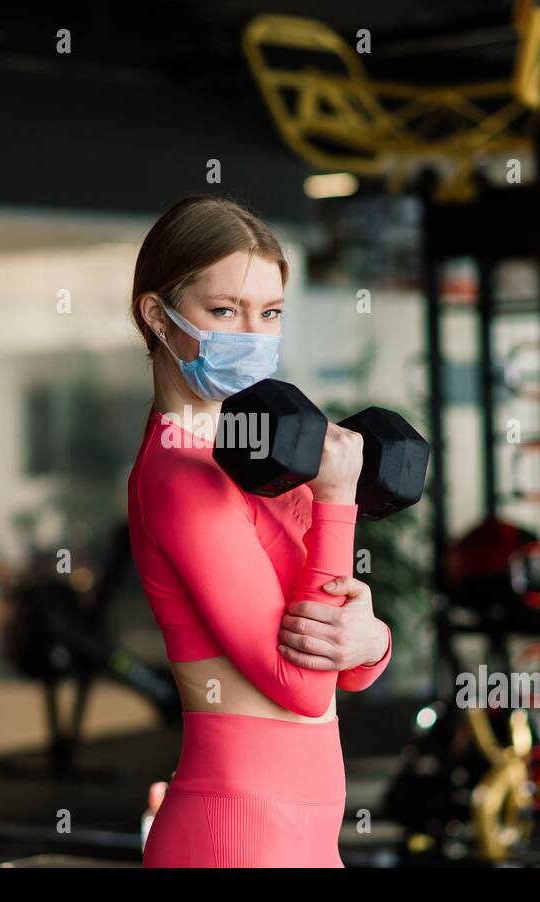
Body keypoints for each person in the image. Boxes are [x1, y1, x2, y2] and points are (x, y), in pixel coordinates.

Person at [127, 195, 392, 867]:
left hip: (305, 834)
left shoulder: (263, 458)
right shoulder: (180, 477)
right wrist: (336, 499)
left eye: (269, 313)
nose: (252, 334)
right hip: (236, 834)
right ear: (156, 315)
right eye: (225, 311)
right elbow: (302, 685)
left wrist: (372, 641)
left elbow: (344, 661)